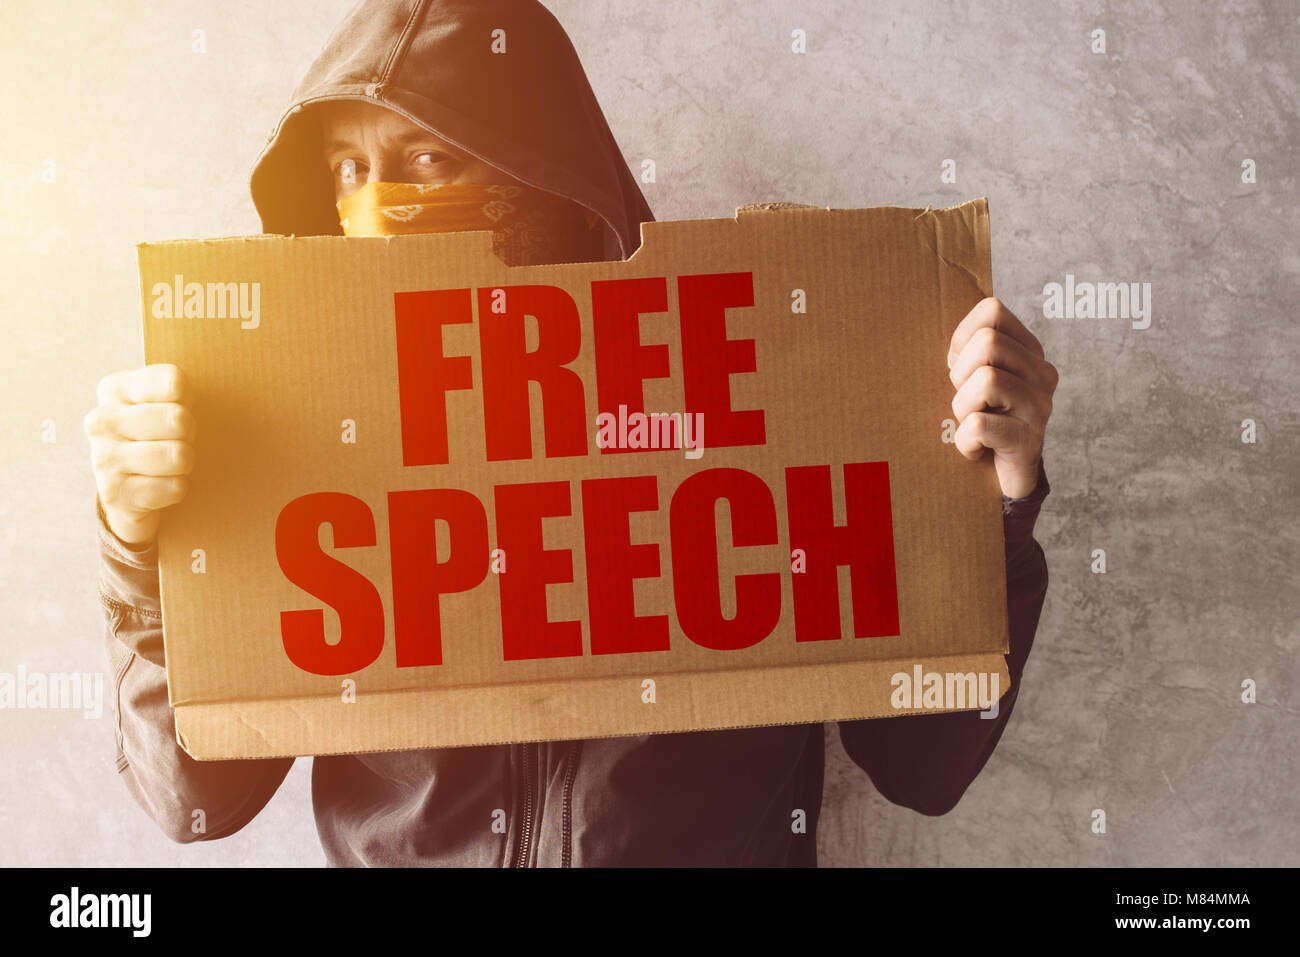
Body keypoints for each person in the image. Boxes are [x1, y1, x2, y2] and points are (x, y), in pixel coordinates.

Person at [83, 0, 1055, 866]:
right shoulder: (288, 432)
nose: (376, 204)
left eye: (430, 157)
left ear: (545, 170)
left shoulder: (770, 385)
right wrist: (140, 546)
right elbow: (195, 805)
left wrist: (994, 507)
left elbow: (920, 768)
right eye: (346, 167)